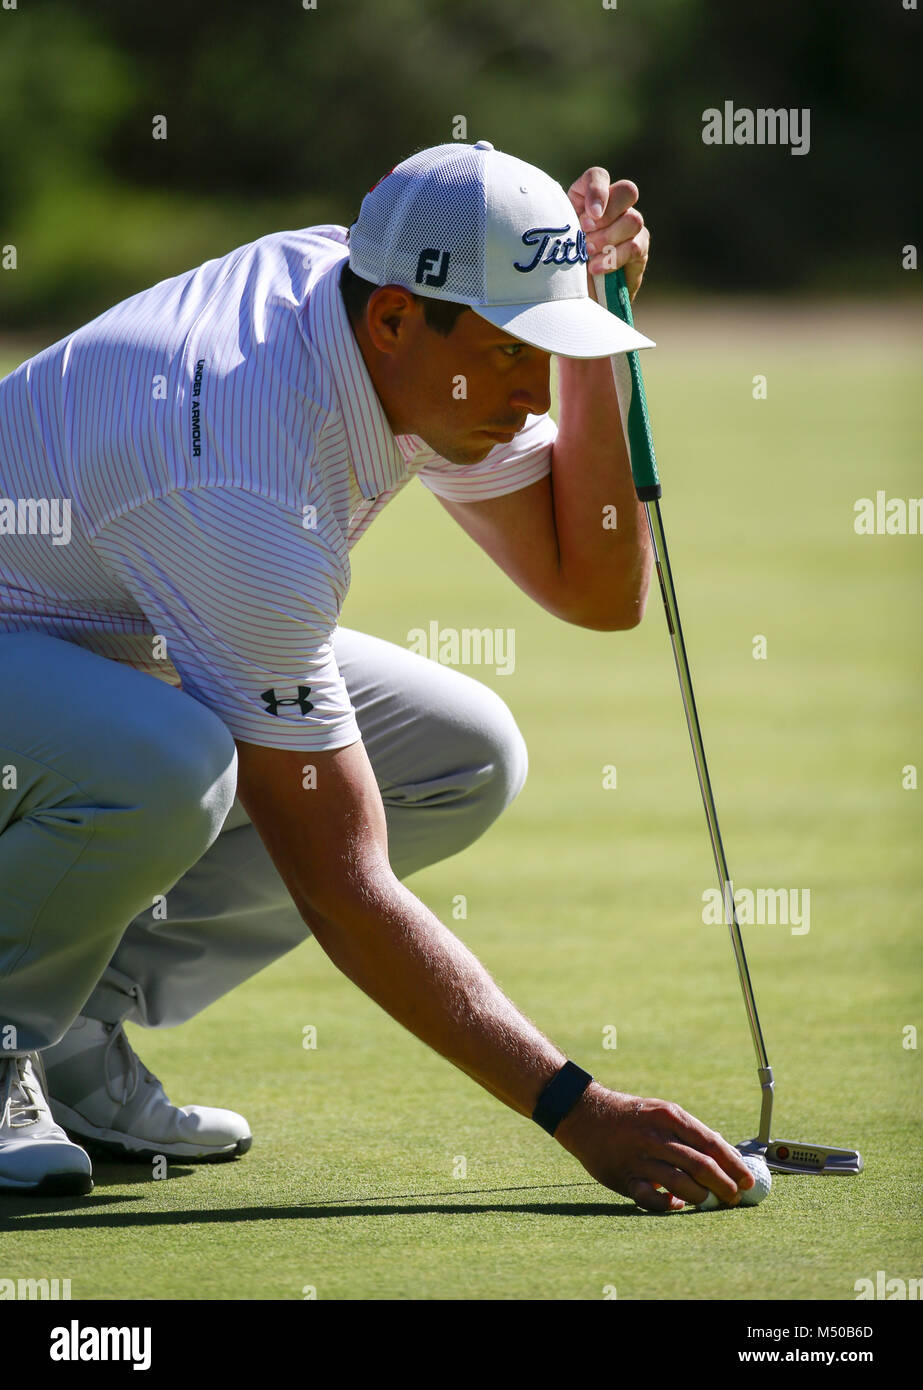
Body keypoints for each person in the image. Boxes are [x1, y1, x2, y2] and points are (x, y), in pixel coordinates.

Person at [0, 140, 754, 1210]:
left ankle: (72, 1030)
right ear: (396, 320)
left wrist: (589, 329)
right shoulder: (242, 473)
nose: (529, 388)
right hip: (37, 643)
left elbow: (596, 587)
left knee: (459, 754)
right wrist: (574, 1107)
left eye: (544, 347)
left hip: (103, 631)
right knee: (170, 765)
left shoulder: (383, 316)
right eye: (509, 353)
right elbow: (342, 885)